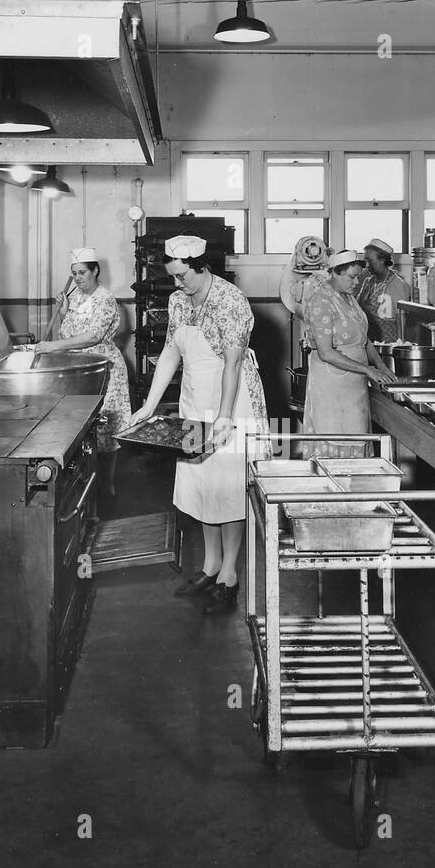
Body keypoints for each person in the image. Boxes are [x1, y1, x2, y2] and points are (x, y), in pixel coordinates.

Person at [128, 235, 269, 615]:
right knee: (202, 485)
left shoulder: (229, 301)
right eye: (172, 277)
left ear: (201, 266)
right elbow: (172, 352)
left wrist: (224, 416)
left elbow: (234, 364)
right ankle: (209, 566)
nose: (177, 284)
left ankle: (229, 574)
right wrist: (149, 404)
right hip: (195, 398)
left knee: (227, 486)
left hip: (230, 400)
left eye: (182, 276)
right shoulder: (178, 301)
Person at [34, 247, 132, 495]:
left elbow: (92, 336)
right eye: (74, 273)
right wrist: (65, 311)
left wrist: (52, 346)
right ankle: (85, 482)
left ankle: (107, 483)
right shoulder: (75, 295)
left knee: (106, 429)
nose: (78, 278)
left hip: (103, 368)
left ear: (95, 271)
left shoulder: (105, 298)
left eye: (82, 273)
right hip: (77, 369)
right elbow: (73, 329)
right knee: (79, 429)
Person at [301, 249, 397, 458]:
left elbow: (362, 339)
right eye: (352, 277)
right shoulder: (321, 300)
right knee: (335, 437)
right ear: (335, 273)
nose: (356, 283)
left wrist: (380, 366)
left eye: (358, 278)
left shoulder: (348, 297)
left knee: (356, 437)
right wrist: (367, 370)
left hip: (354, 385)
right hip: (332, 384)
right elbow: (326, 353)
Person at [355, 238, 410, 345]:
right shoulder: (368, 282)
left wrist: (400, 345)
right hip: (368, 342)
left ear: (382, 260)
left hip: (387, 345)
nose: (367, 265)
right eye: (365, 261)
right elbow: (357, 308)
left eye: (370, 261)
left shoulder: (398, 285)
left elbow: (402, 321)